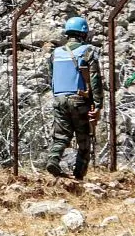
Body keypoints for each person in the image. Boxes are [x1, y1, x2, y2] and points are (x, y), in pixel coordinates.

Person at [43, 16, 104, 180]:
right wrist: (98, 104)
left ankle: (53, 160)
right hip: (79, 99)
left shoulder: (55, 53)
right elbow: (95, 80)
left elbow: (51, 77)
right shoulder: (88, 51)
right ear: (83, 34)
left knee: (61, 136)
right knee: (83, 138)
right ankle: (78, 175)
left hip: (59, 99)